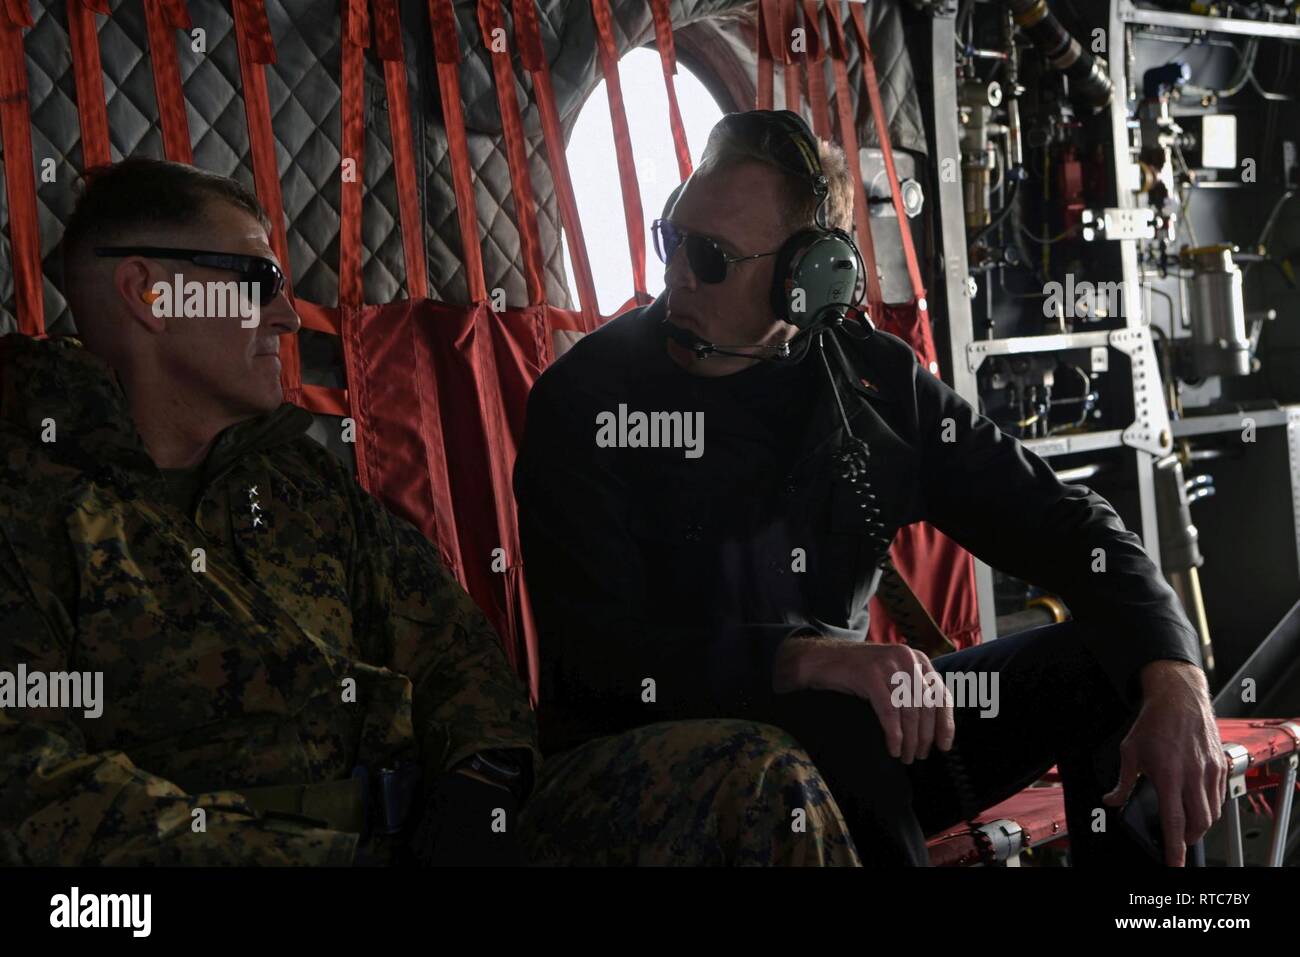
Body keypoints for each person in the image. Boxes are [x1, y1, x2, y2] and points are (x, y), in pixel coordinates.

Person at [514, 110, 1228, 866]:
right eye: (673, 238)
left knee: (1108, 661)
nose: (678, 272)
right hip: (647, 765)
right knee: (835, 717)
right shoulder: (586, 401)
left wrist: (1174, 669)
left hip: (845, 749)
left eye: (713, 257)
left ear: (805, 281)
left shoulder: (872, 383)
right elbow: (600, 660)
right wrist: (802, 659)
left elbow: (1063, 524)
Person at [0, 157, 539, 866]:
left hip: (421, 836)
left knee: (721, 778)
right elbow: (30, 785)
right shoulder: (30, 498)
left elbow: (453, 649)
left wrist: (481, 788)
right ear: (149, 294)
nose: (286, 316)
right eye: (257, 283)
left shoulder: (300, 481)